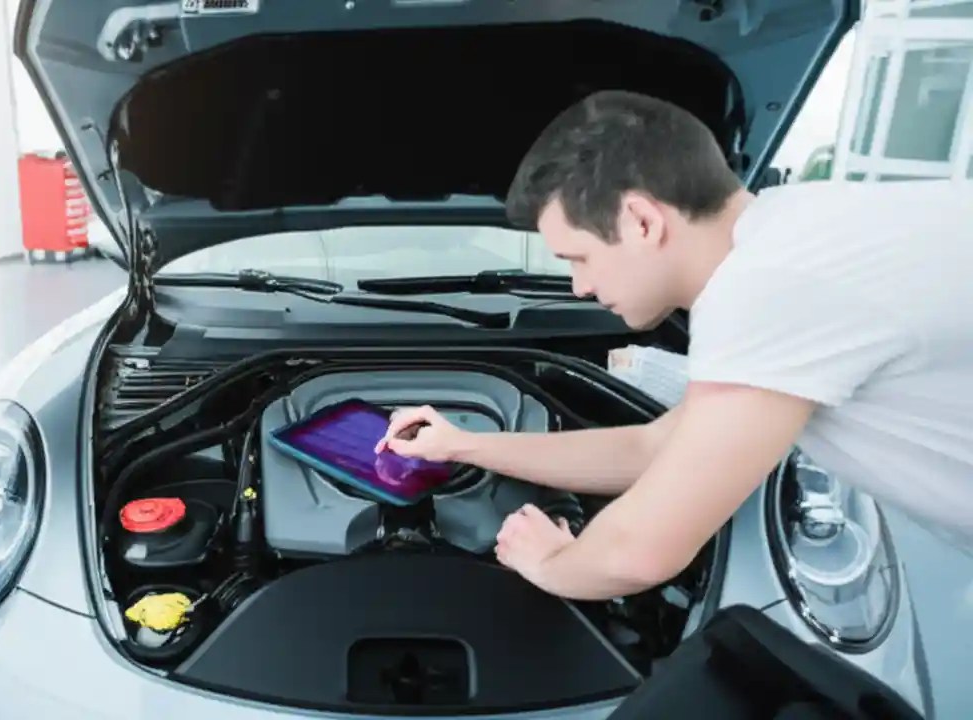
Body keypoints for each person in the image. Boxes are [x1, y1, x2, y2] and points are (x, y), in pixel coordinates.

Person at [375, 89, 973, 601]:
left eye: (577, 258)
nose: (580, 286)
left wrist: (549, 563)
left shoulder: (766, 287)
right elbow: (653, 447)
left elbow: (638, 554)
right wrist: (464, 445)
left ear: (641, 220)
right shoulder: (796, 231)